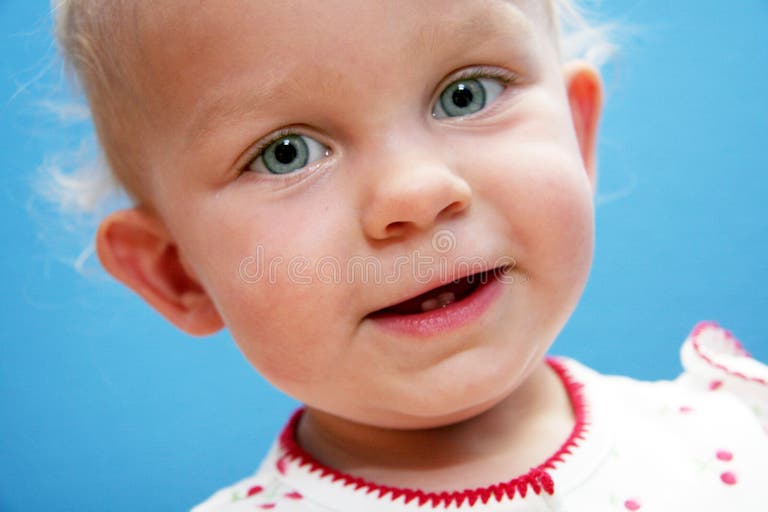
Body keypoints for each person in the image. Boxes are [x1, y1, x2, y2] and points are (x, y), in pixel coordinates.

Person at [50, 0, 768, 510]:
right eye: (286, 153)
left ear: (576, 136)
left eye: (465, 94)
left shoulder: (735, 438)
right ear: (179, 272)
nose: (415, 193)